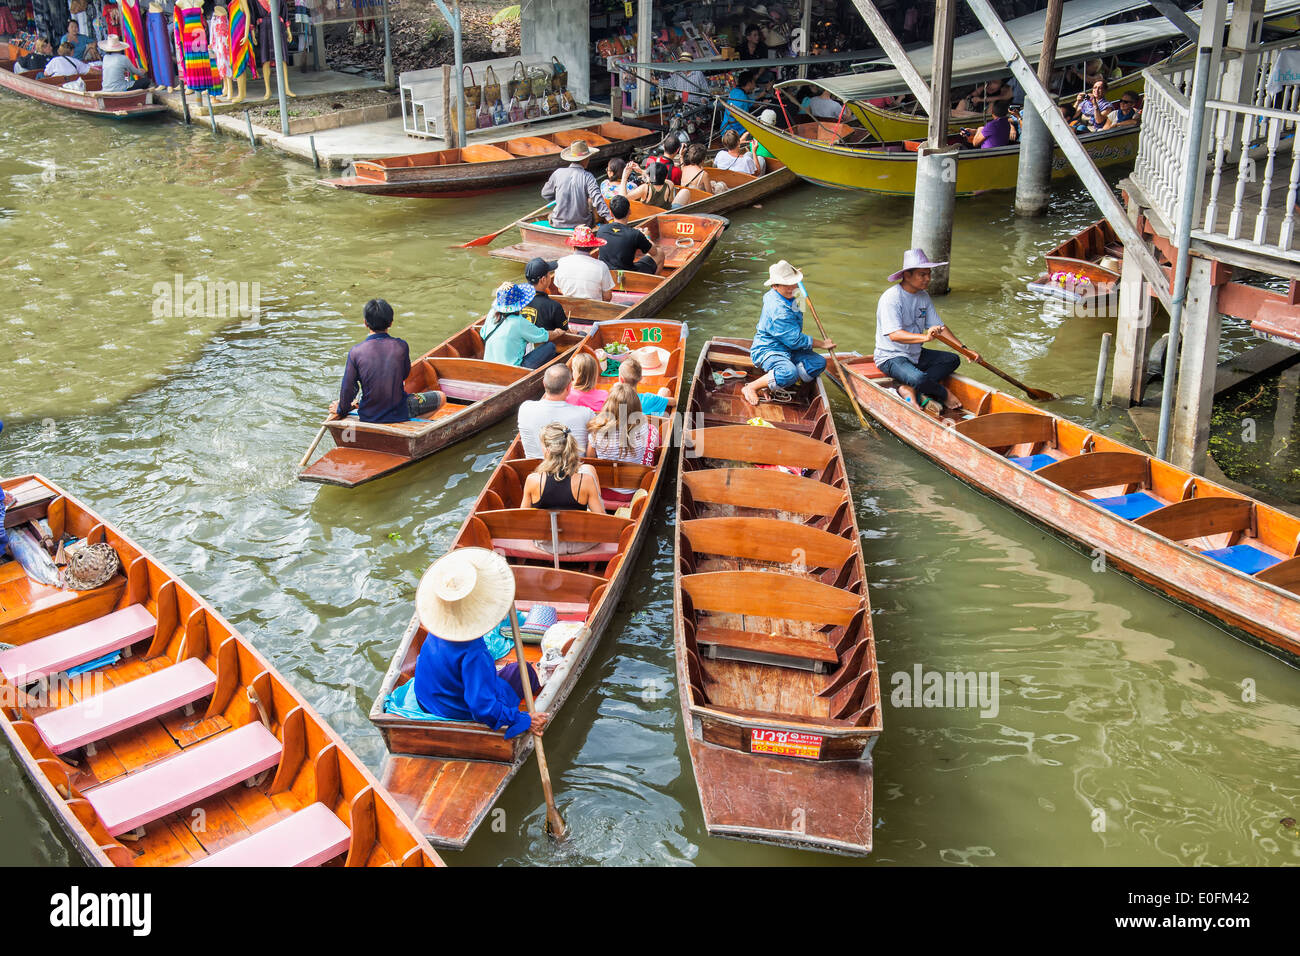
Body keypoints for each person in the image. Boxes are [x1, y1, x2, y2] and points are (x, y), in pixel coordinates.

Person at [407, 548, 547, 737]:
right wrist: (523, 719)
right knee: (524, 672)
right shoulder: (474, 652)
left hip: (428, 700)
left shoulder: (438, 628)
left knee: (497, 675)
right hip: (454, 711)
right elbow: (482, 709)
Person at [873, 248, 979, 412]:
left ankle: (908, 389)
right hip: (891, 356)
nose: (928, 278)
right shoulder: (892, 298)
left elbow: (940, 327)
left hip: (915, 354)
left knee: (952, 359)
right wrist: (925, 338)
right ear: (907, 275)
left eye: (929, 274)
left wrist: (964, 350)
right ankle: (943, 393)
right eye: (922, 274)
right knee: (919, 378)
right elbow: (894, 335)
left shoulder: (923, 296)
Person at [330, 298, 446, 423]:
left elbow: (348, 388)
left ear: (365, 323)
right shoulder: (401, 346)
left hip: (368, 415)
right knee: (441, 397)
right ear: (390, 323)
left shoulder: (355, 352)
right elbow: (405, 374)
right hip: (399, 411)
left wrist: (342, 409)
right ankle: (407, 422)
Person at [741, 260, 833, 405]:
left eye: (794, 282)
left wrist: (796, 284)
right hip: (770, 349)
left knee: (819, 363)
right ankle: (752, 387)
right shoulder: (779, 310)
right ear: (775, 286)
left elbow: (798, 312)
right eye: (786, 284)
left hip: (789, 348)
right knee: (789, 373)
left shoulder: (789, 294)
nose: (792, 287)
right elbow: (795, 340)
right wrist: (823, 344)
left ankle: (776, 382)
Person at [522, 423, 606, 515]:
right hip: (577, 529)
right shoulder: (585, 481)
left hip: (545, 529)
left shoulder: (532, 480)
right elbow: (601, 517)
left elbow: (523, 517)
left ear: (547, 450)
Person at [480, 282, 564, 369]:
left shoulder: (491, 314)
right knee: (550, 347)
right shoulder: (518, 322)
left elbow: (483, 334)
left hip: (489, 367)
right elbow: (544, 336)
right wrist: (557, 332)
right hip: (513, 370)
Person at [518, 364, 594, 459]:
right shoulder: (586, 413)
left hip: (534, 469)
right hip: (574, 469)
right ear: (569, 387)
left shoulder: (525, 408)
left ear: (544, 384)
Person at [541, 140, 612, 230]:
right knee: (591, 208)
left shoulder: (558, 173)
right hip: (583, 224)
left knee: (550, 215)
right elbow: (597, 199)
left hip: (558, 223)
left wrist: (560, 199)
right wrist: (610, 219)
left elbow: (545, 193)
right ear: (585, 159)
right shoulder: (588, 176)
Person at [587, 383, 659, 466]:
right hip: (635, 474)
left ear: (609, 405)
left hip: (605, 476)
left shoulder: (597, 431)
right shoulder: (643, 425)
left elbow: (591, 459)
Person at [595, 196, 660, 275]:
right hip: (628, 276)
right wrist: (647, 236)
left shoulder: (601, 230)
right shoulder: (635, 234)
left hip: (607, 274)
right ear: (629, 211)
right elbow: (654, 252)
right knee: (660, 253)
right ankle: (653, 284)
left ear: (611, 213)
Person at [553, 225, 615, 302]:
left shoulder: (561, 263)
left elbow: (560, 289)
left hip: (569, 309)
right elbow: (607, 297)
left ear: (573, 246)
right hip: (594, 311)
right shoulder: (601, 266)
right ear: (592, 247)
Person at [519, 257, 568, 333]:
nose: (550, 276)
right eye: (549, 274)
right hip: (547, 343)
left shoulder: (517, 300)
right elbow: (565, 330)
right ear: (543, 280)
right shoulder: (554, 306)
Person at [720, 70, 758, 137]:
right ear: (749, 83)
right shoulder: (742, 96)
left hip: (726, 130)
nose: (755, 84)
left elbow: (750, 103)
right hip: (734, 133)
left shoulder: (735, 91)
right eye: (754, 81)